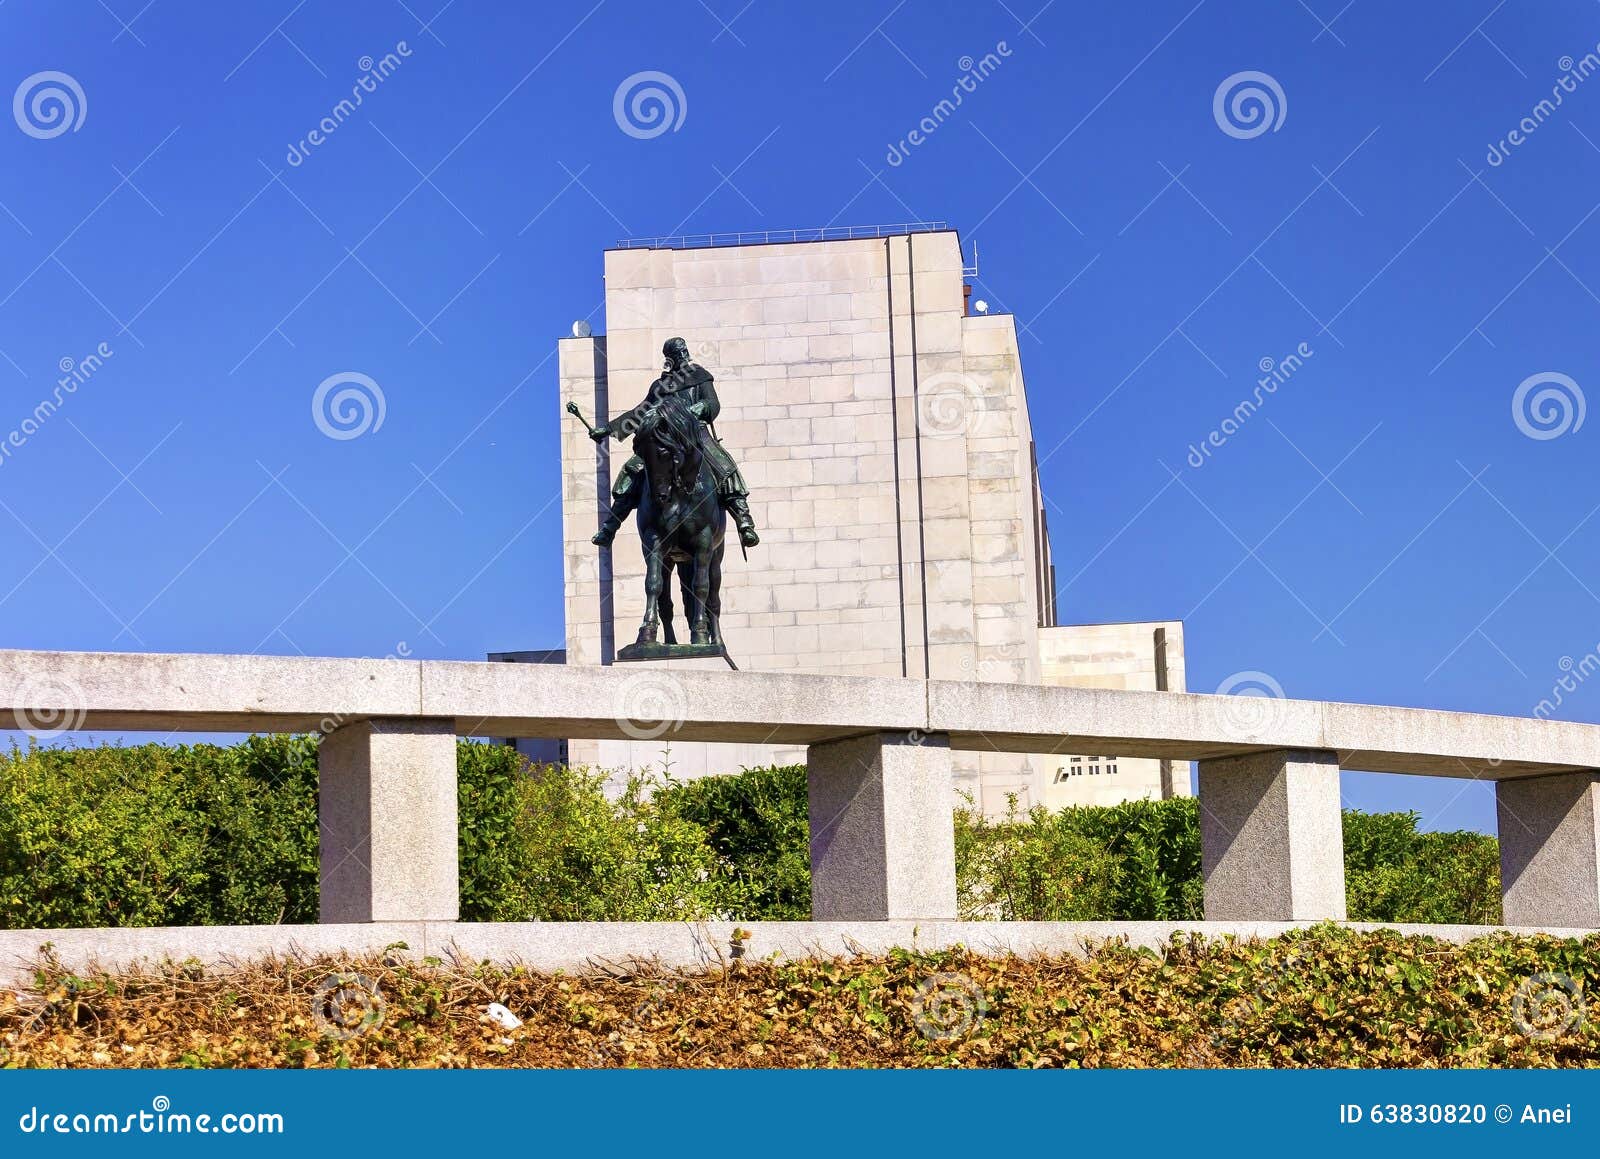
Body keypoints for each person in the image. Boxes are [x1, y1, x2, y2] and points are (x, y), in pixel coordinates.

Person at [589, 337, 760, 548]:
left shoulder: (699, 376)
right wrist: (607, 429)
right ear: (670, 358)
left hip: (696, 435)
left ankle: (744, 521)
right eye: (679, 352)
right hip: (664, 437)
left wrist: (702, 407)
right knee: (632, 470)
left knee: (724, 465)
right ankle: (610, 526)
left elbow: (713, 404)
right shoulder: (659, 386)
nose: (684, 355)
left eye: (685, 351)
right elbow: (638, 414)